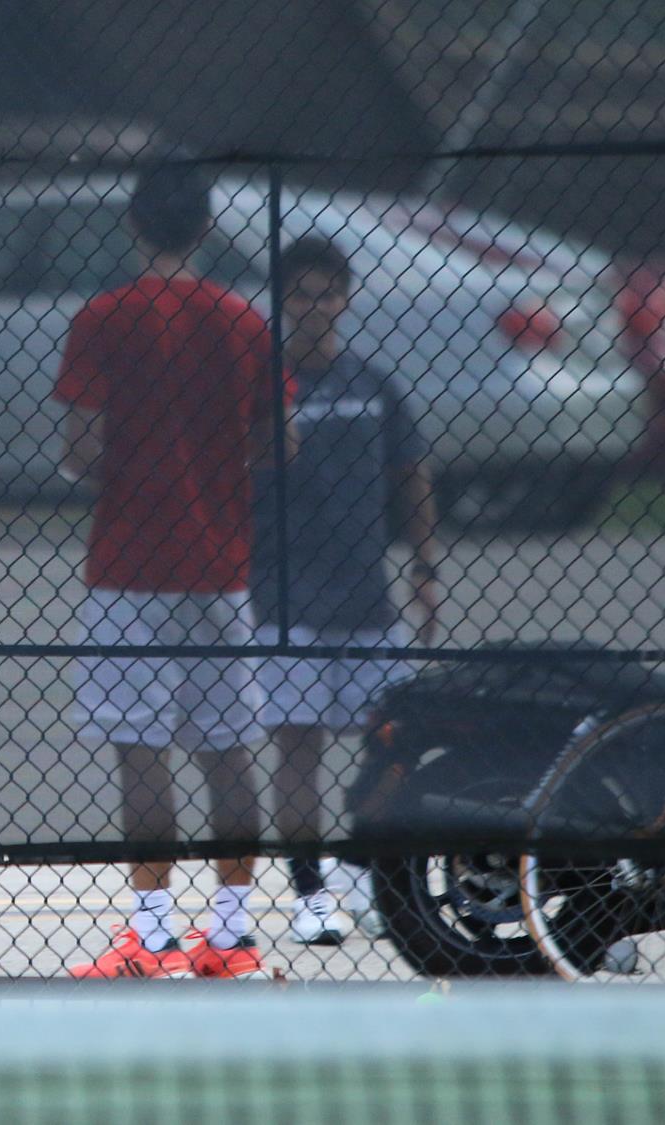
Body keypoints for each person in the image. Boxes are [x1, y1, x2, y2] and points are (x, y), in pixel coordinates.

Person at [51, 164, 289, 980]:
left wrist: (128, 461)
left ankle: (151, 934)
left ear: (133, 225)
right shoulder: (245, 322)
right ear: (207, 228)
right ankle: (230, 932)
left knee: (140, 744)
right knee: (228, 746)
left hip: (128, 563)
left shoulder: (105, 318)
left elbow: (82, 447)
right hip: (219, 562)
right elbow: (275, 440)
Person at [252, 234, 442, 944]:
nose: (314, 306)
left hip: (367, 601)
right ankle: (310, 893)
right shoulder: (261, 383)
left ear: (346, 298)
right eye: (300, 293)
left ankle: (359, 865)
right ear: (281, 300)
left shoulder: (372, 382)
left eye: (326, 292)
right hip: (285, 605)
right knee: (297, 747)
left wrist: (425, 569)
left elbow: (412, 472)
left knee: (393, 739)